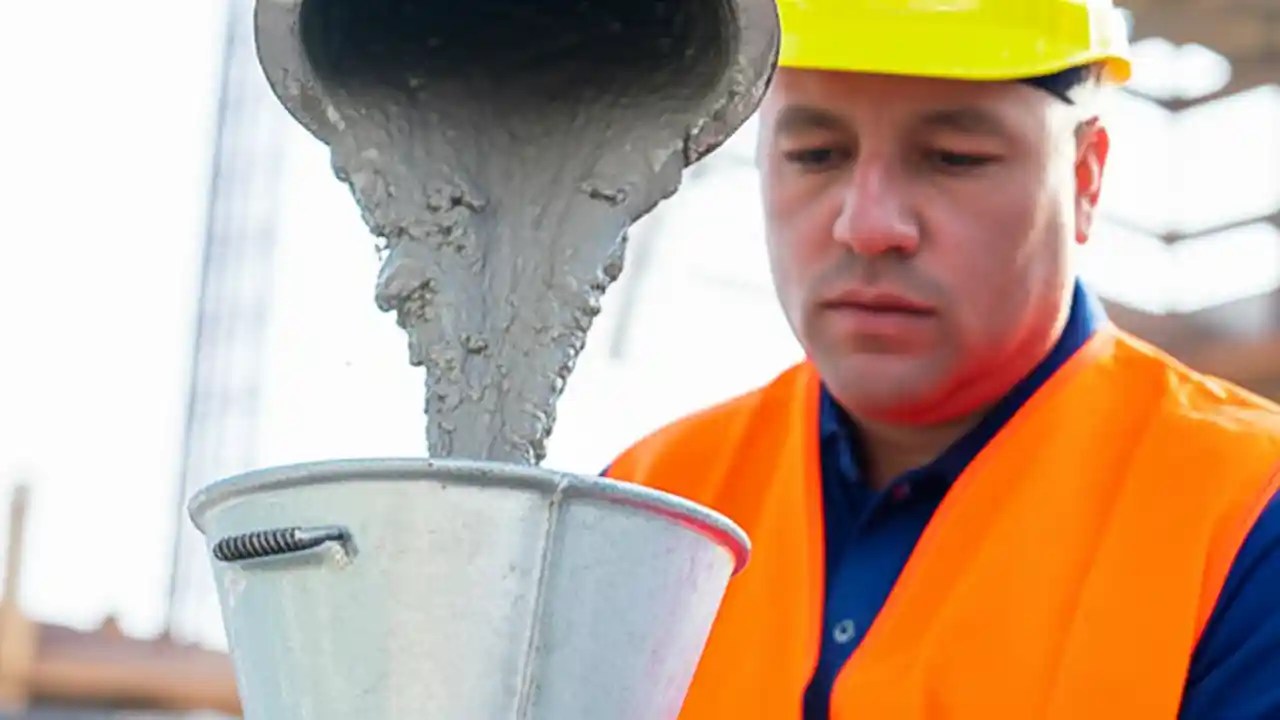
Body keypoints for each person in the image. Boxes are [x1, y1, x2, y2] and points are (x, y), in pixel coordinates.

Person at [603, 1, 1280, 717]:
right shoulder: (650, 504)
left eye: (953, 159)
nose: (868, 226)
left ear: (1085, 179)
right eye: (816, 155)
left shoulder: (1243, 517)